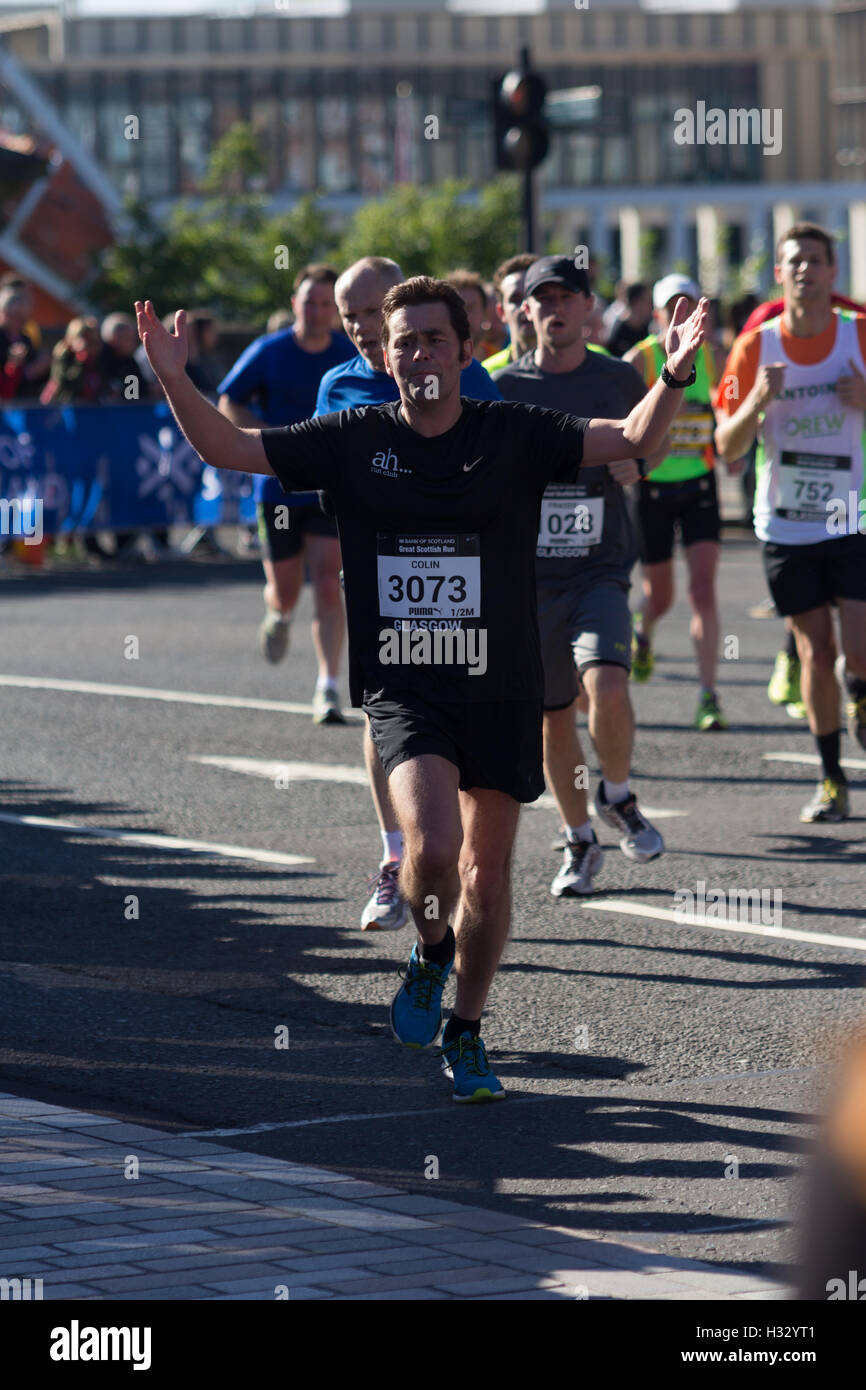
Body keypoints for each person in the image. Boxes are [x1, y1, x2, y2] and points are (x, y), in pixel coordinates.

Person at [135, 277, 709, 1102]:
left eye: (433, 340)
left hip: (502, 686)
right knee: (434, 851)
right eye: (403, 342)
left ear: (465, 348)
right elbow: (233, 450)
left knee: (487, 871)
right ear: (387, 354)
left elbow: (627, 439)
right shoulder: (353, 436)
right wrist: (173, 378)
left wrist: (675, 374)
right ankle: (431, 949)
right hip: (407, 684)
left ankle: (467, 1031)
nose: (417, 354)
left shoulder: (511, 431)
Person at [319, 256, 501, 931]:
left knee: (464, 725)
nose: (363, 329)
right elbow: (320, 473)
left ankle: (459, 867)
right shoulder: (336, 387)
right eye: (351, 319)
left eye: (373, 312)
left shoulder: (466, 374)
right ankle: (398, 857)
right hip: (376, 579)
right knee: (381, 714)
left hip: (467, 583)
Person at [494, 255, 663, 895]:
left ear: (588, 308)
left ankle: (615, 793)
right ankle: (580, 840)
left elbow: (657, 432)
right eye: (543, 299)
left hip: (602, 566)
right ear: (526, 310)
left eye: (567, 297)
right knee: (554, 716)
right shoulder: (502, 387)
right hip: (530, 580)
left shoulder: (619, 377)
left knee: (609, 683)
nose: (555, 308)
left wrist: (640, 464)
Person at [715, 223, 866, 822]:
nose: (805, 269)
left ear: (834, 272)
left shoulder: (859, 337)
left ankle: (859, 686)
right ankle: (832, 780)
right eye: (793, 261)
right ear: (779, 274)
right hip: (787, 525)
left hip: (852, 516)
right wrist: (755, 402)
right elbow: (726, 449)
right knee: (814, 648)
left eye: (815, 260)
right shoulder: (754, 348)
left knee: (857, 653)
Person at [217, 264, 356, 723]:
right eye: (308, 302)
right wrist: (265, 438)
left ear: (334, 311)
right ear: (294, 304)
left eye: (324, 304)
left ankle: (328, 686)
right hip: (276, 487)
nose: (316, 312)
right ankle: (276, 613)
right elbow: (228, 399)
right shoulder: (269, 350)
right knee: (287, 591)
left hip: (327, 488)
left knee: (329, 584)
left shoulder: (347, 351)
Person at [625, 274, 733, 731]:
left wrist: (736, 448)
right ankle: (643, 635)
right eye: (672, 308)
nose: (681, 316)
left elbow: (731, 405)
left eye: (689, 308)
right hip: (653, 487)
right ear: (656, 316)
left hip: (699, 484)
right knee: (660, 596)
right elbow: (625, 424)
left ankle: (708, 694)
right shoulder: (640, 359)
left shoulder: (715, 355)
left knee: (703, 592)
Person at [481, 254, 538, 375]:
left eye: (533, 295)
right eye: (515, 299)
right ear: (501, 312)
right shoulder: (486, 374)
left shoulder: (585, 362)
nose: (525, 306)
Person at [606, 282, 653, 358]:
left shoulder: (648, 330)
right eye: (647, 300)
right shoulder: (617, 328)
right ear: (635, 302)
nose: (651, 305)